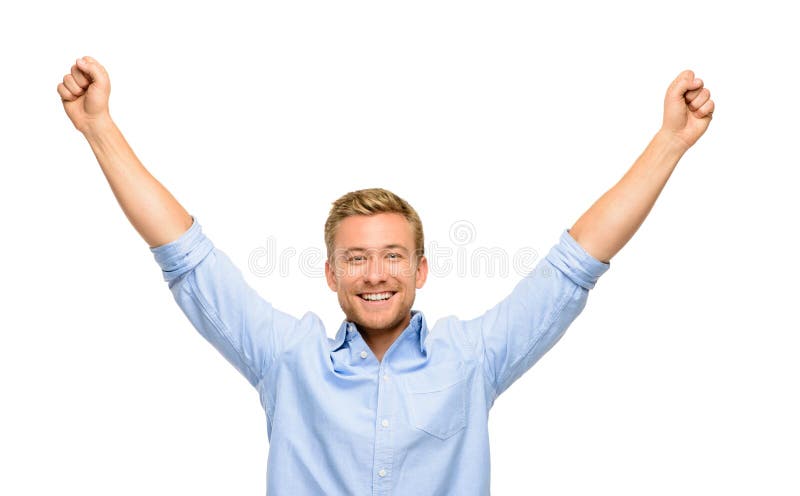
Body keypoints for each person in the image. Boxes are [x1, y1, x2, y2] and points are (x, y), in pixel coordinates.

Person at [58, 56, 714, 495]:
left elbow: (574, 264)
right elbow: (187, 258)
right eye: (357, 258)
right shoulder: (288, 358)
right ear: (331, 275)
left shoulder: (473, 358)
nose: (377, 273)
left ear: (421, 269)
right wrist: (99, 129)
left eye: (394, 255)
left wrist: (671, 141)